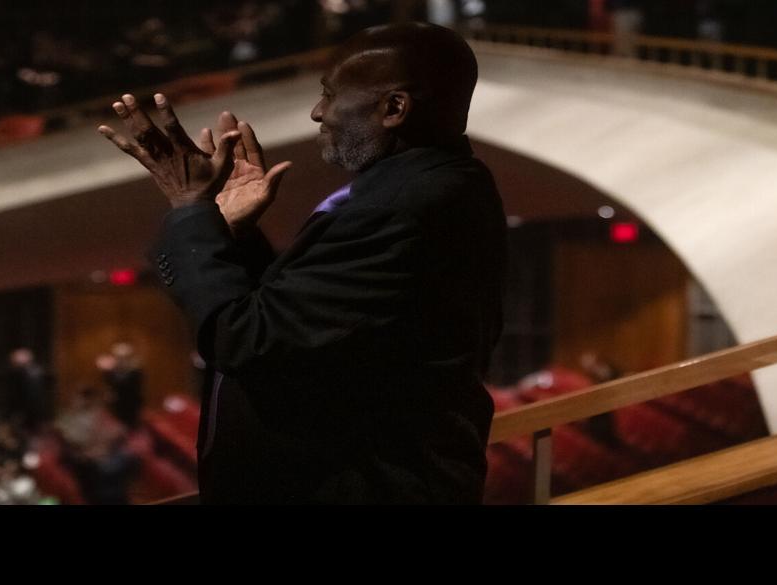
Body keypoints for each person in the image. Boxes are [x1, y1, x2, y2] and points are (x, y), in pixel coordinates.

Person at [97, 21, 506, 503]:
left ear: (394, 108)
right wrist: (236, 236)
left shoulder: (401, 209)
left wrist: (191, 211)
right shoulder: (436, 185)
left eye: (330, 95)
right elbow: (304, 326)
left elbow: (245, 338)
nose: (317, 112)